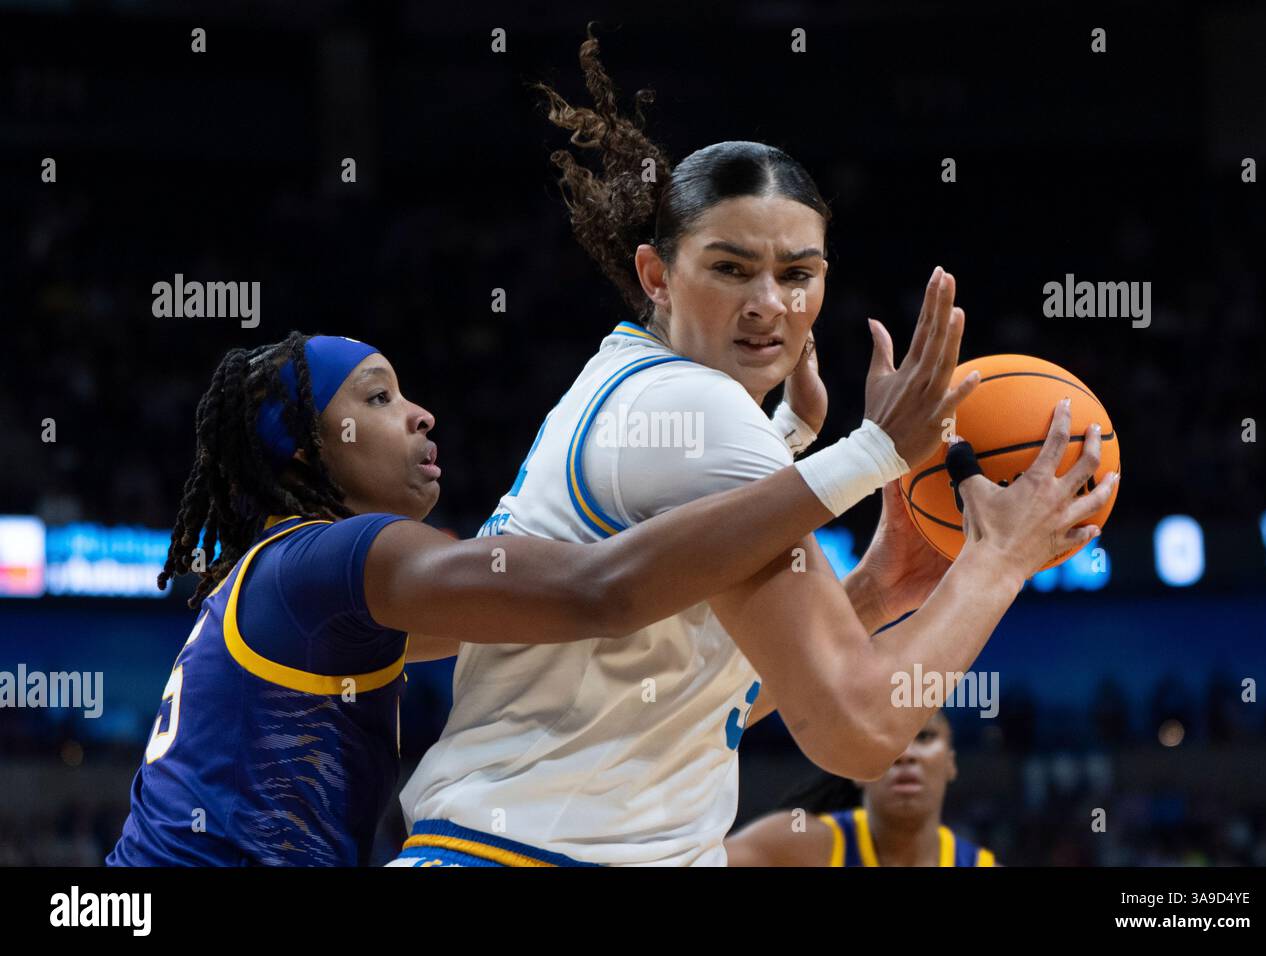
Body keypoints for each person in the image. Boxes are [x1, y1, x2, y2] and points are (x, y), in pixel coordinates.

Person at [394, 27, 1116, 867]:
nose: (769, 304)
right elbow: (858, 733)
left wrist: (883, 584)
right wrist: (998, 560)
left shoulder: (628, 376)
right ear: (658, 276)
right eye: (731, 269)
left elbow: (702, 683)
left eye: (797, 274)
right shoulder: (700, 414)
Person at [107, 329, 934, 866]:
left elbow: (583, 638)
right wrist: (869, 454)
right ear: (304, 454)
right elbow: (600, 591)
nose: (421, 414)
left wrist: (776, 454)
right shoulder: (333, 559)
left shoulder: (302, 582)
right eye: (377, 397)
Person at [725, 710, 998, 866]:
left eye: (925, 736)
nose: (905, 754)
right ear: (856, 767)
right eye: (886, 739)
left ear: (950, 762)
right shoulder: (794, 844)